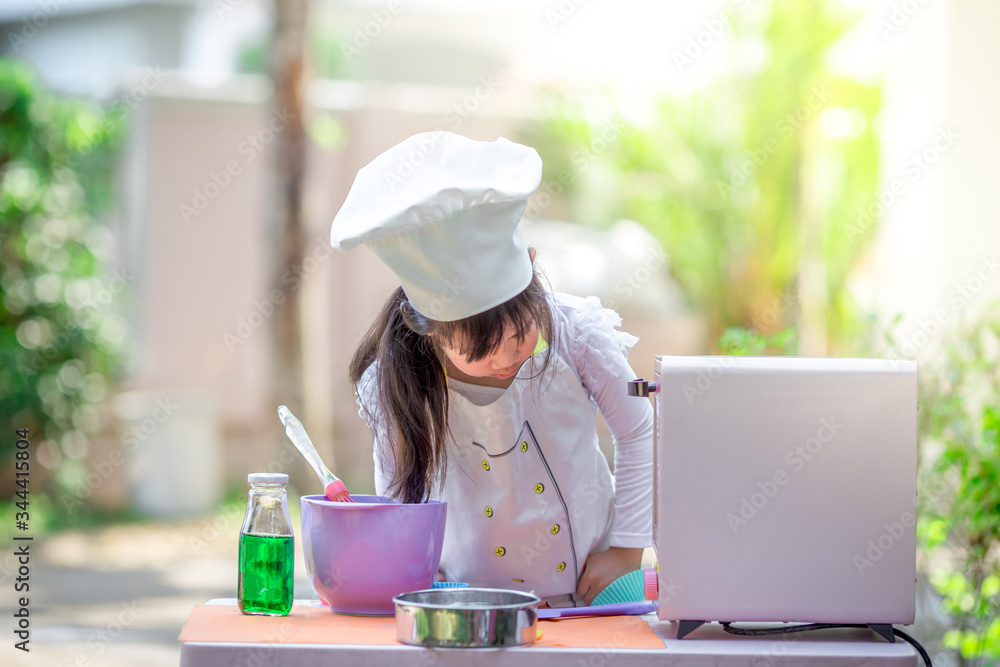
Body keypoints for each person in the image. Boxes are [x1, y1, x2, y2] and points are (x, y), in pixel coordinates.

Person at [330, 131, 653, 607]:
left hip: (594, 586)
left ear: (533, 268)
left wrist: (627, 548)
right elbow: (400, 500)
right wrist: (425, 574)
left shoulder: (579, 335)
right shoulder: (395, 383)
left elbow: (639, 429)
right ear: (429, 330)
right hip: (470, 600)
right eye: (480, 348)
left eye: (520, 333)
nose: (506, 358)